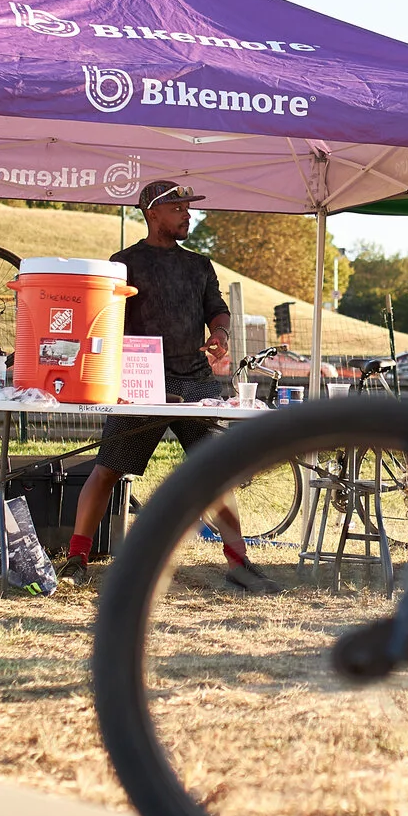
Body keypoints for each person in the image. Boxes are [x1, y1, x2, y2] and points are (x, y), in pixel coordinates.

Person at [64, 180, 273, 593]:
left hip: (194, 379)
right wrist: (120, 378)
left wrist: (221, 334)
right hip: (140, 382)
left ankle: (238, 562)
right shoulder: (123, 263)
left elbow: (218, 311)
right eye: (177, 207)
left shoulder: (200, 265)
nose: (187, 214)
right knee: (107, 469)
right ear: (152, 212)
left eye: (188, 207)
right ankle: (76, 558)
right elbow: (106, 321)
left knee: (215, 474)